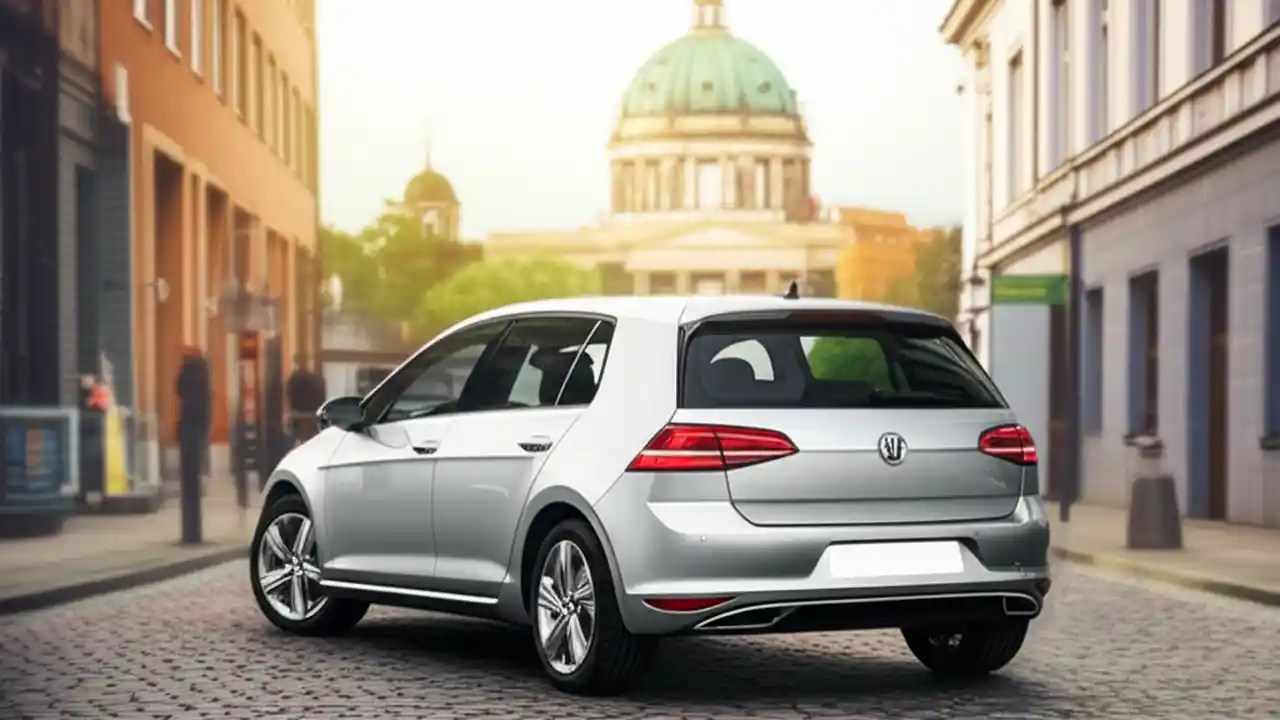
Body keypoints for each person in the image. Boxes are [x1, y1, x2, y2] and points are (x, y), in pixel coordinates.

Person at [176, 345, 211, 544]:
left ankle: (190, 533)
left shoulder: (187, 374)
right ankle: (193, 533)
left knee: (188, 480)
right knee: (193, 480)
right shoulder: (204, 377)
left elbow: (177, 388)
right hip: (197, 429)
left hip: (188, 428)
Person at [286, 355, 326, 445]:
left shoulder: (293, 379)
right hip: (311, 415)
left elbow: (290, 398)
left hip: (298, 415)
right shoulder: (316, 379)